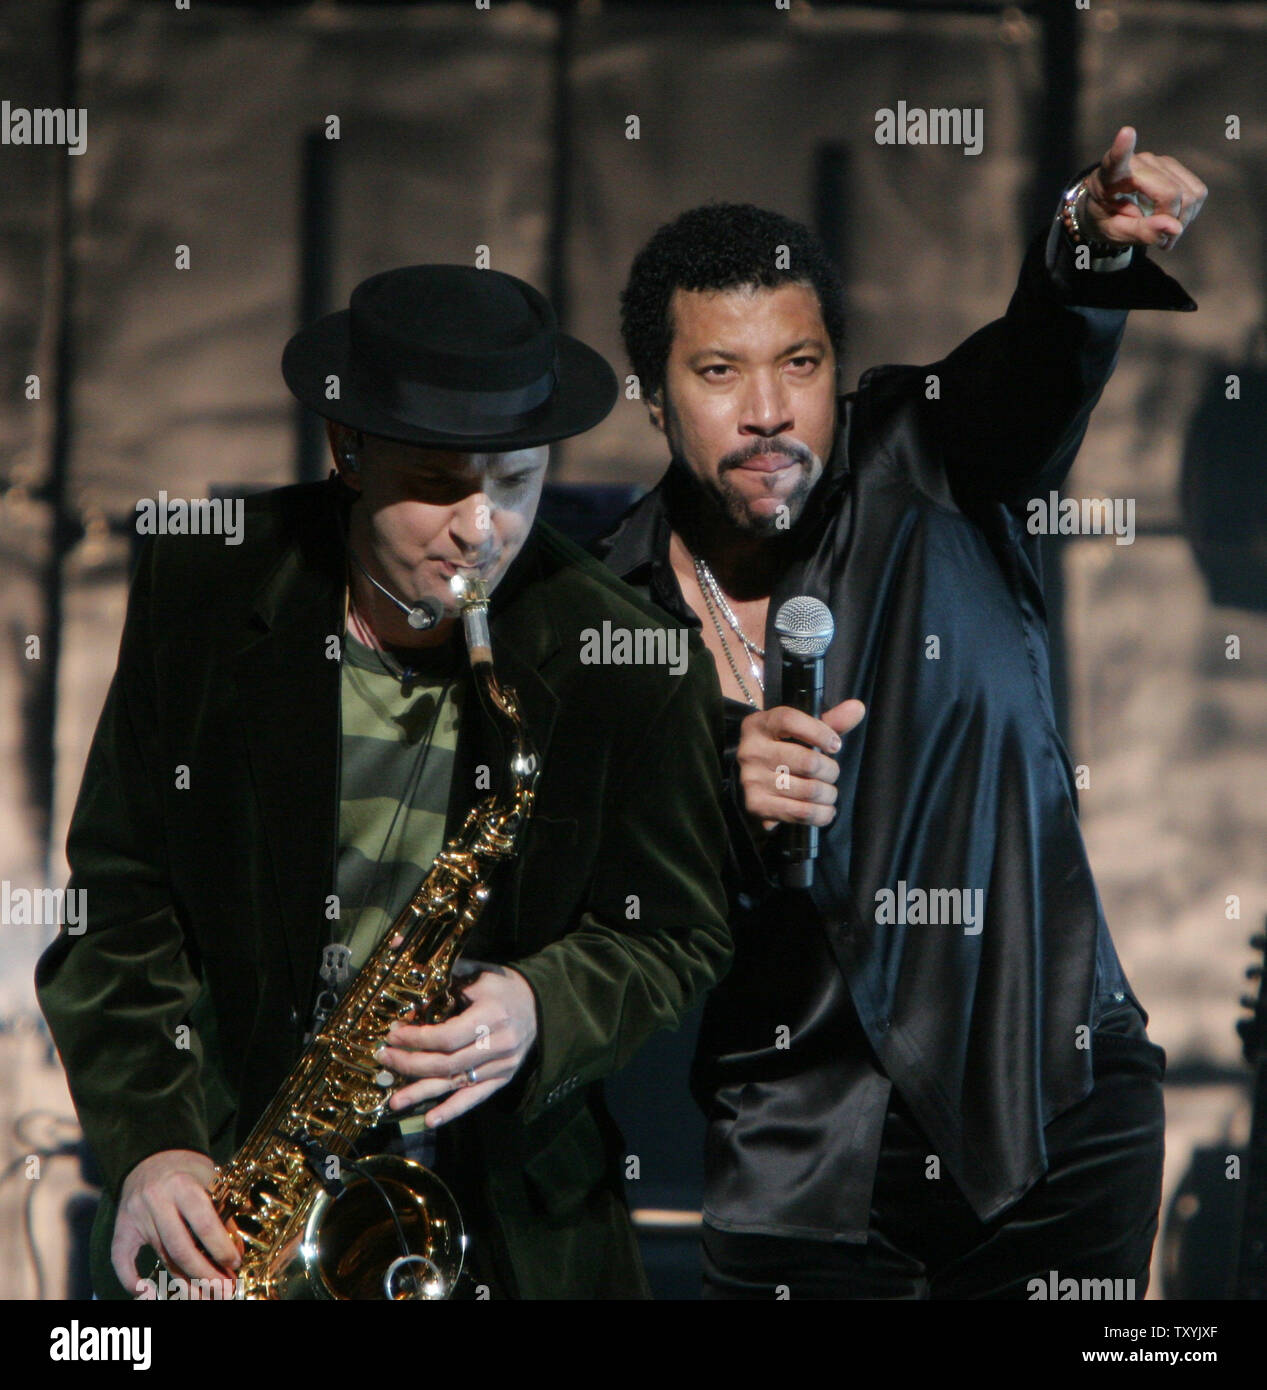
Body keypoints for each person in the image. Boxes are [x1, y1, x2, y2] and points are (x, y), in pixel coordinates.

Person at [36, 263, 732, 1300]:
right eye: (443, 484)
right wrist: (153, 1146)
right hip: (229, 1194)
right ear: (346, 450)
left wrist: (541, 1004)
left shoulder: (629, 660)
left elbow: (678, 933)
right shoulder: (204, 589)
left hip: (502, 1222)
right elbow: (121, 900)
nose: (483, 530)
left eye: (514, 481)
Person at [595, 126, 1207, 1298]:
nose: (769, 409)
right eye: (719, 373)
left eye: (802, 363)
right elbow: (595, 893)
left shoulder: (923, 455)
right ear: (653, 398)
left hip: (1046, 1108)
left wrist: (1083, 250)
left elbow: (1035, 365)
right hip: (798, 1160)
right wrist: (711, 789)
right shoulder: (599, 614)